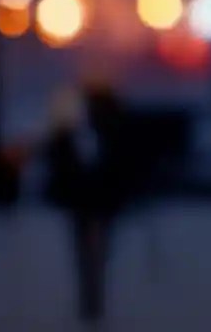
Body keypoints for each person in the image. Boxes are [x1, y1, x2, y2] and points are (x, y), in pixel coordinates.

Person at [43, 80, 130, 320]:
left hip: (94, 203)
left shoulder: (98, 138)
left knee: (93, 255)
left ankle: (92, 305)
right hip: (86, 204)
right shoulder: (74, 139)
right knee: (90, 255)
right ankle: (91, 306)